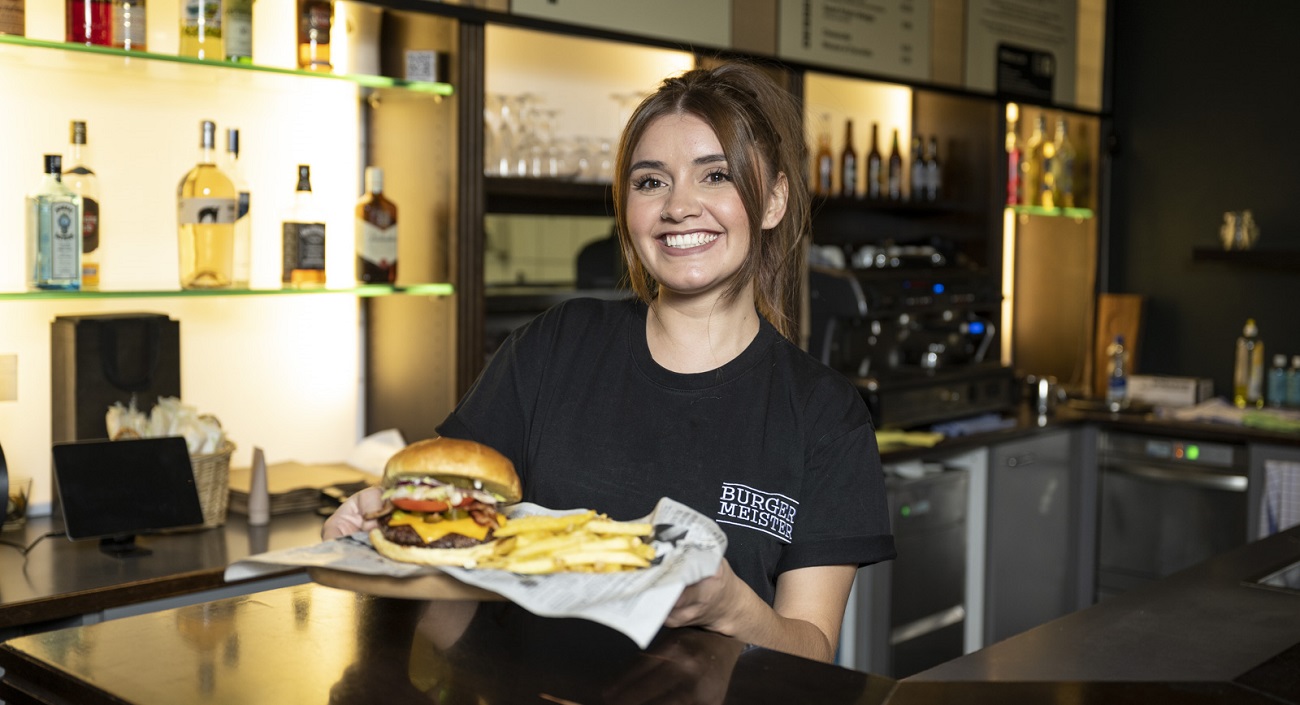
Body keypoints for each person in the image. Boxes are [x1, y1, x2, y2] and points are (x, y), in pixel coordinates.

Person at [325, 60, 895, 662]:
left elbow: (811, 653)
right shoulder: (554, 346)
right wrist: (379, 540)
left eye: (715, 176)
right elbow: (452, 587)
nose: (679, 206)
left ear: (774, 200)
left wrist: (735, 609)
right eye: (651, 182)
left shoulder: (824, 414)